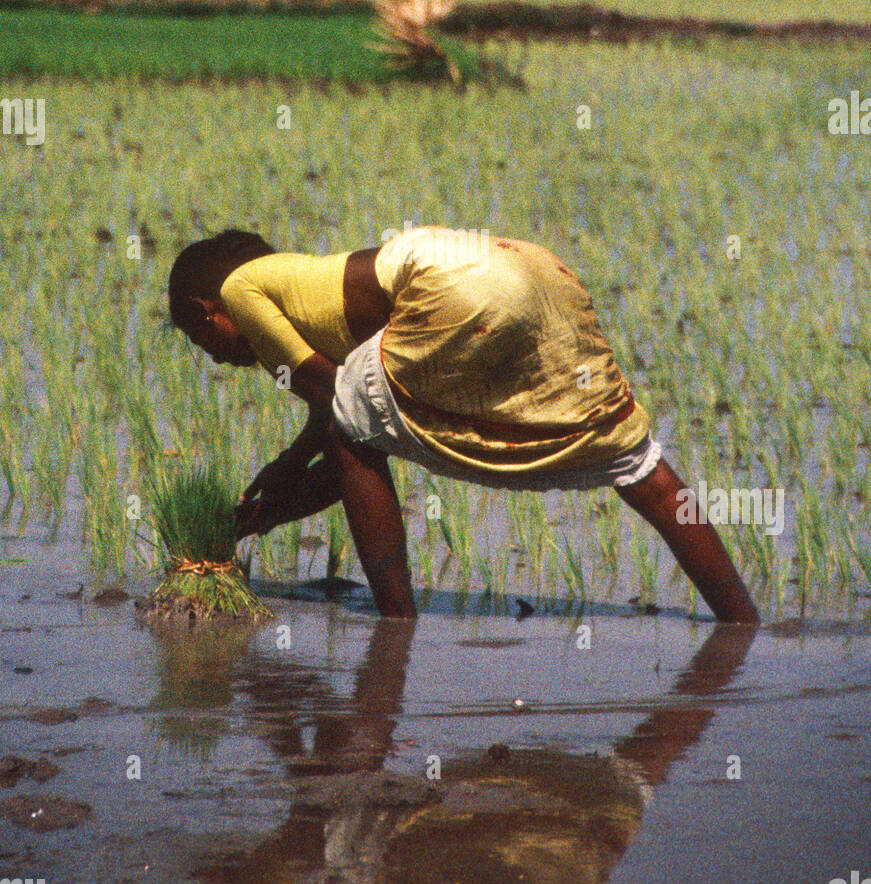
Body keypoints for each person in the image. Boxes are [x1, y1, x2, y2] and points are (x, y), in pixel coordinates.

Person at [166, 225, 759, 624]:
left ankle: (396, 626)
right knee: (633, 460)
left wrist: (265, 508)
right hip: (534, 270)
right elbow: (342, 408)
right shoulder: (292, 280)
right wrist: (281, 477)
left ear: (206, 310)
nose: (216, 358)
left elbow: (337, 412)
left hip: (449, 289)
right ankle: (741, 622)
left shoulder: (242, 291)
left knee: (354, 434)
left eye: (202, 340)